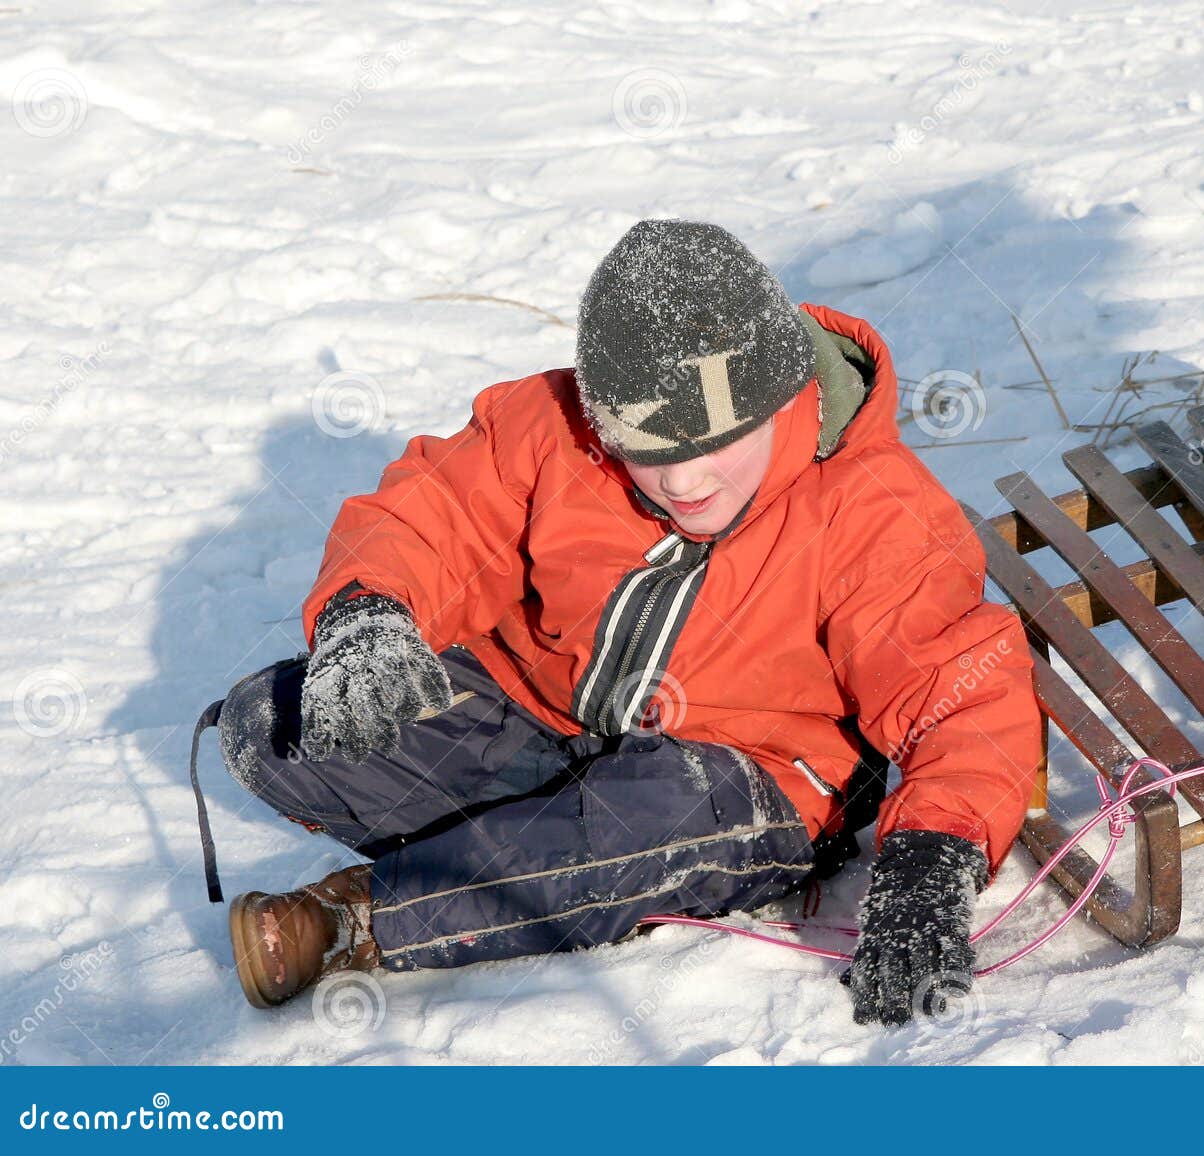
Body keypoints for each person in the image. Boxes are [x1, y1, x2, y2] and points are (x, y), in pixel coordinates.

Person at [213, 218, 1040, 1026]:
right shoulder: (552, 426)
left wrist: (935, 855)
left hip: (745, 773)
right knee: (272, 727)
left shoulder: (874, 508)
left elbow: (960, 692)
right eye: (648, 449)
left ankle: (363, 918)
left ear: (779, 400)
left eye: (713, 443)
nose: (682, 480)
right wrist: (369, 612)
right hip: (537, 710)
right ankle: (530, 860)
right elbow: (439, 515)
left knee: (630, 831)